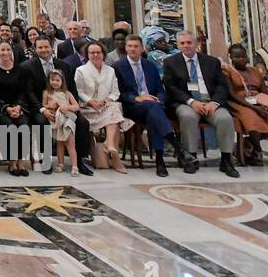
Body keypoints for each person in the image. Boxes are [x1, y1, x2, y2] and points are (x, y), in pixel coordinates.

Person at [163, 30, 238, 177]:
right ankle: (190, 157)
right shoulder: (170, 62)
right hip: (185, 102)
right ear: (178, 45)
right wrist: (191, 102)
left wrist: (215, 102)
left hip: (210, 102)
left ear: (196, 44)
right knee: (188, 117)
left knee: (225, 118)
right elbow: (171, 87)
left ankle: (226, 160)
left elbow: (222, 86)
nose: (186, 46)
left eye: (189, 42)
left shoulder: (211, 62)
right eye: (182, 43)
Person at [19, 35, 95, 174]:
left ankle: (78, 161)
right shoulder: (27, 67)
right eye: (40, 47)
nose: (44, 50)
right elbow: (29, 93)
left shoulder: (64, 65)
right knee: (41, 122)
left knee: (82, 123)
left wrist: (72, 108)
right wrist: (43, 109)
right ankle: (45, 160)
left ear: (51, 48)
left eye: (46, 47)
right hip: (41, 107)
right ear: (35, 49)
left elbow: (72, 89)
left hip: (66, 107)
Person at [114, 35, 172, 176]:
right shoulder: (118, 67)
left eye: (136, 46)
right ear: (126, 48)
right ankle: (172, 144)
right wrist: (137, 98)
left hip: (152, 106)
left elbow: (159, 89)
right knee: (153, 109)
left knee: (154, 112)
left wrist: (159, 100)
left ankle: (160, 160)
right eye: (130, 46)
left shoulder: (149, 66)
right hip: (132, 107)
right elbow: (118, 93)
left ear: (142, 48)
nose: (133, 49)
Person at [224, 43, 268, 166]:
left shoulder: (254, 71)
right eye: (237, 57)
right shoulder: (227, 71)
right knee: (252, 117)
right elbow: (231, 95)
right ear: (231, 57)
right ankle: (258, 150)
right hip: (239, 102)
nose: (242, 59)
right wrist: (255, 108)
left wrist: (264, 105)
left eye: (243, 56)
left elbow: (264, 91)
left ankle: (248, 142)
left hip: (258, 100)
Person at [0, 39, 41, 175]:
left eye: (8, 50)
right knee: (8, 126)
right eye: (2, 50)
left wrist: (18, 107)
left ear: (12, 52)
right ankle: (11, 161)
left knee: (22, 125)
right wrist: (6, 108)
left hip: (18, 107)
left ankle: (20, 161)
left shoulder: (20, 69)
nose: (5, 52)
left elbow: (24, 91)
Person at [74, 42, 133, 174]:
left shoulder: (110, 70)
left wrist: (107, 100)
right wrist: (91, 101)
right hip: (87, 108)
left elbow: (115, 92)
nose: (95, 55)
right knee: (115, 112)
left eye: (98, 52)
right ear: (87, 55)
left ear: (103, 54)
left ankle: (111, 146)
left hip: (106, 106)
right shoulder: (81, 70)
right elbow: (78, 91)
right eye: (92, 52)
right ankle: (113, 152)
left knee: (115, 107)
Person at [39, 70, 81, 176]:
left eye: (57, 80)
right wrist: (50, 106)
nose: (55, 82)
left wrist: (67, 107)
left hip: (67, 120)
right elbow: (43, 105)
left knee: (70, 143)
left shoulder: (67, 93)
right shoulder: (47, 93)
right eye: (52, 80)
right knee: (59, 143)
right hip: (56, 122)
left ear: (62, 81)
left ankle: (75, 166)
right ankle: (60, 163)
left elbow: (76, 106)